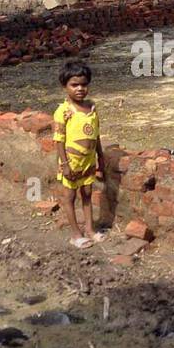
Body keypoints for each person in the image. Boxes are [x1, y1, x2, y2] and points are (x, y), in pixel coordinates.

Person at [53, 60, 105, 248]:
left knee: (87, 194)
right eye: (74, 85)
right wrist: (65, 164)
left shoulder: (91, 109)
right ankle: (76, 234)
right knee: (70, 196)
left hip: (88, 161)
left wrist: (101, 158)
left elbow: (96, 135)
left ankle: (90, 229)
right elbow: (59, 140)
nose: (80, 89)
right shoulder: (64, 111)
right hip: (71, 161)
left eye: (84, 84)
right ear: (65, 86)